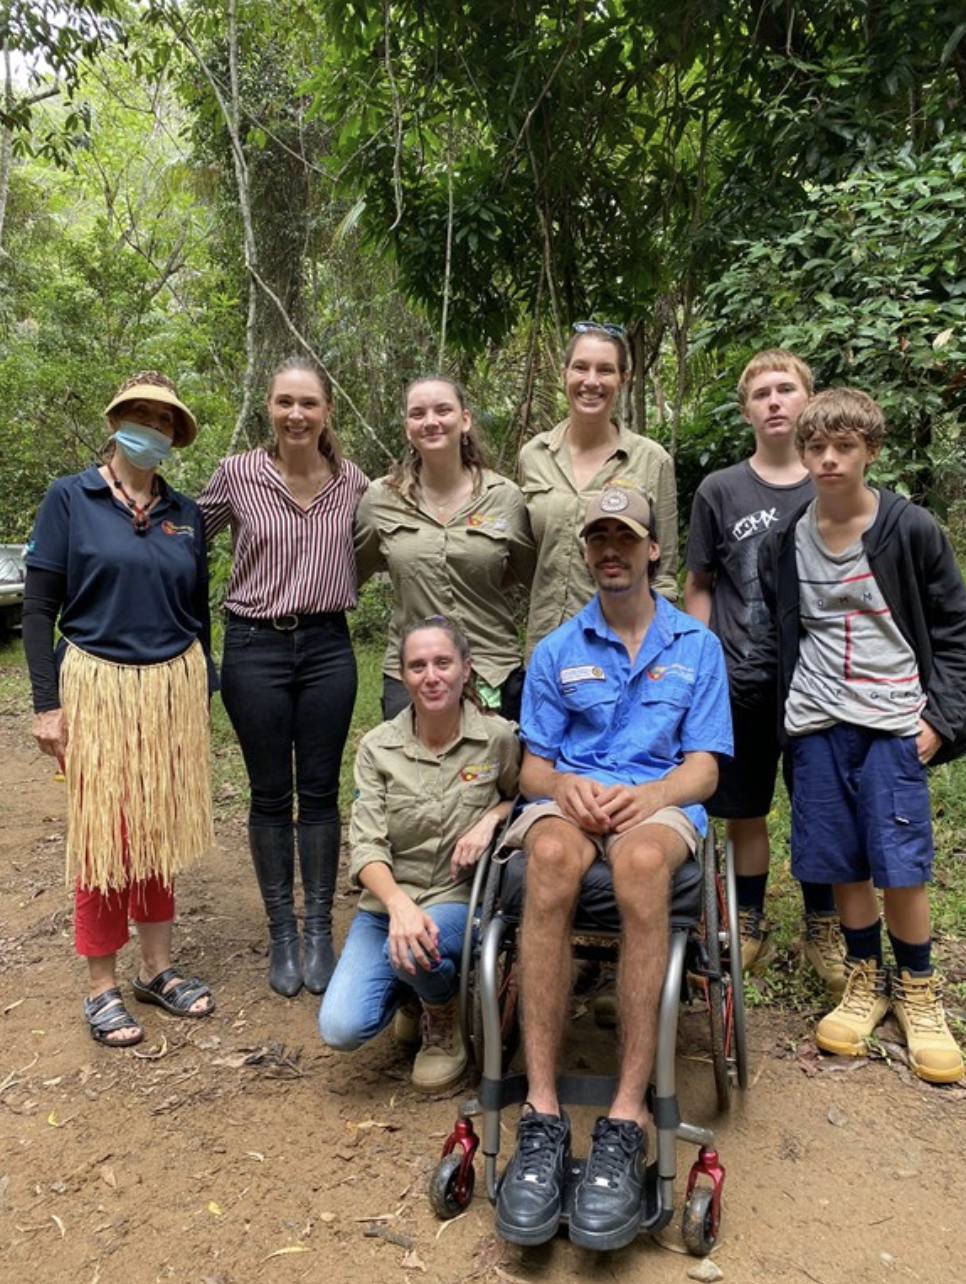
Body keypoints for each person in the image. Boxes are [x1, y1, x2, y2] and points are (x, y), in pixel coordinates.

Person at [494, 487, 732, 1251]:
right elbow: (533, 767)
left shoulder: (695, 646)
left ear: (652, 550)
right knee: (552, 857)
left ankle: (627, 1115)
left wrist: (651, 794)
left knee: (639, 862)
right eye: (598, 538)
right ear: (586, 552)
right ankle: (540, 1108)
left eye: (624, 538)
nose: (611, 551)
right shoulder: (558, 649)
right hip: (574, 797)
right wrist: (566, 787)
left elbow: (703, 770)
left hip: (658, 802)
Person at [733, 389, 966, 1084]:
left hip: (894, 721)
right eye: (816, 448)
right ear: (801, 454)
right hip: (815, 724)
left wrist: (940, 721)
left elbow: (953, 630)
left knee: (902, 860)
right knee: (843, 862)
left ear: (871, 450)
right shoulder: (785, 541)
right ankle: (866, 978)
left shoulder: (909, 528)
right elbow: (782, 633)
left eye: (844, 447)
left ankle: (920, 992)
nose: (828, 459)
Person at [23, 371, 215, 1047]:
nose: (151, 428)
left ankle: (157, 969)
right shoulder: (69, 499)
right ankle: (102, 985)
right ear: (115, 421)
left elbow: (198, 612)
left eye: (163, 421)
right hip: (98, 683)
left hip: (170, 687)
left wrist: (204, 687)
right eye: (139, 415)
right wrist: (47, 706)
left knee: (156, 827)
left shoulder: (184, 513)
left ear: (174, 435)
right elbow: (40, 605)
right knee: (107, 832)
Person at [199, 356, 368, 998]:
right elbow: (184, 535)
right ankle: (282, 933)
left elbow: (382, 546)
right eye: (284, 402)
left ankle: (320, 929)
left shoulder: (353, 482)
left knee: (321, 789)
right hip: (254, 644)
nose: (296, 414)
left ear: (327, 411)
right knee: (270, 792)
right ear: (270, 407)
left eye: (309, 403)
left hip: (328, 644)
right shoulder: (239, 473)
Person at [684, 349, 845, 991]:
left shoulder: (831, 482)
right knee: (745, 807)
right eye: (762, 393)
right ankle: (745, 919)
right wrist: (701, 663)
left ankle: (824, 923)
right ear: (746, 408)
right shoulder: (720, 490)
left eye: (787, 389)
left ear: (808, 399)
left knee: (821, 806)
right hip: (740, 680)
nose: (775, 401)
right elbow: (699, 583)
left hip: (824, 682)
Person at [318, 616, 520, 1091]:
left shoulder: (499, 740)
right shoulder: (377, 748)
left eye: (443, 663)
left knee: (413, 947)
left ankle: (441, 1014)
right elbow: (365, 845)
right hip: (388, 905)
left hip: (458, 899)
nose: (431, 676)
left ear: (466, 669)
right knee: (341, 1028)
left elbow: (526, 798)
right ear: (403, 675)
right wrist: (398, 906)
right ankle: (414, 991)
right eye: (417, 665)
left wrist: (491, 817)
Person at [354, 374, 534, 721]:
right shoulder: (380, 499)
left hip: (491, 668)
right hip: (413, 674)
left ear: (464, 419)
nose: (431, 421)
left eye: (443, 410)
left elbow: (532, 574)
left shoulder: (504, 498)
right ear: (408, 427)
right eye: (418, 413)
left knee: (493, 772)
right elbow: (353, 571)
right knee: (410, 772)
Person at [519, 322, 678, 652]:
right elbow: (528, 560)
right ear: (564, 373)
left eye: (605, 370)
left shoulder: (652, 460)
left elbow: (664, 575)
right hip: (546, 647)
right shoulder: (533, 456)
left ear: (624, 377)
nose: (591, 381)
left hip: (621, 647)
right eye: (581, 367)